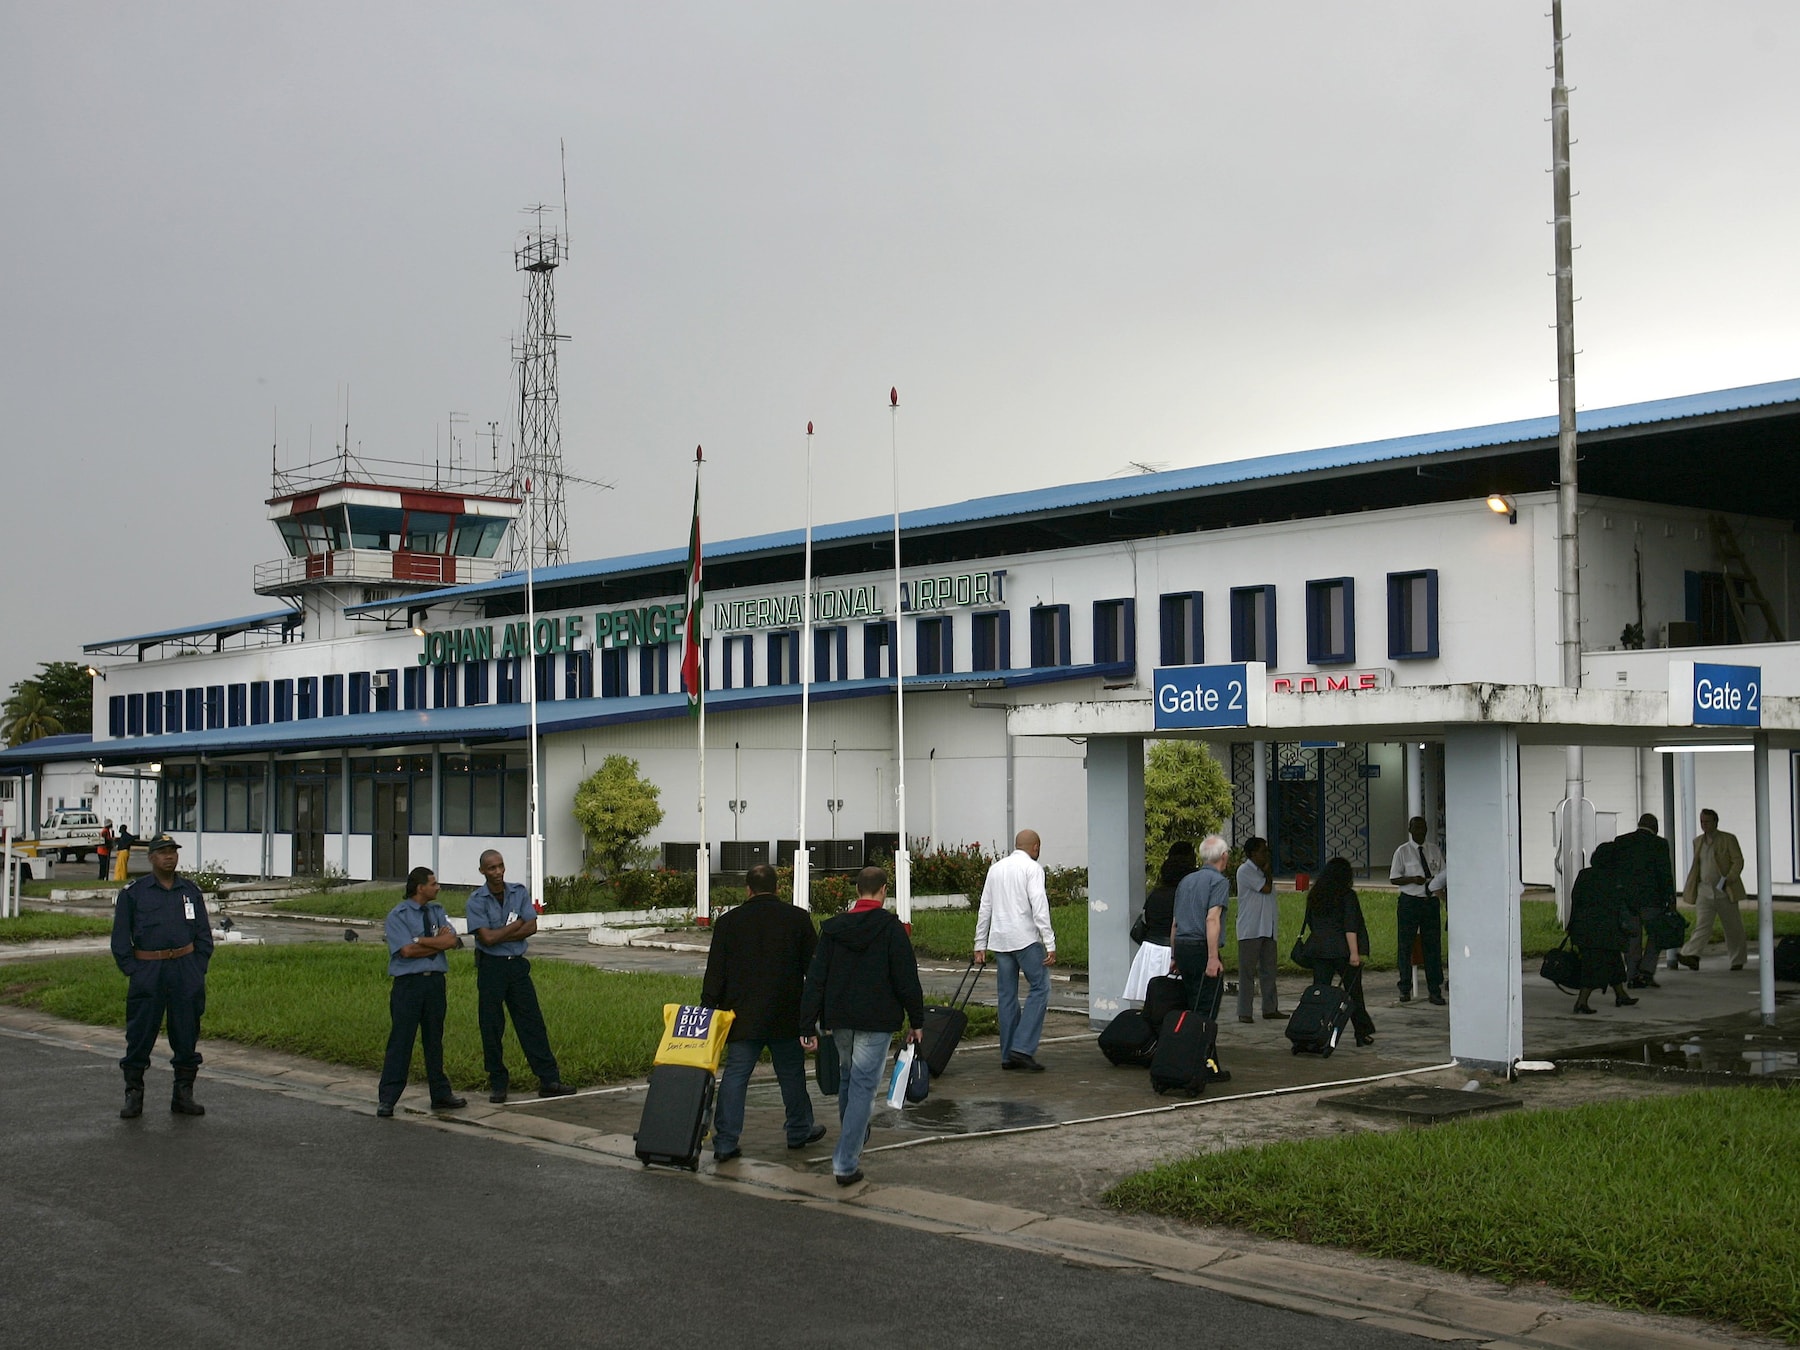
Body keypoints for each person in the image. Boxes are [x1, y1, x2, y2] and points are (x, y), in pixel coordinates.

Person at [798, 865, 926, 1187]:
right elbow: (906, 978)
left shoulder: (833, 929)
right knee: (862, 1090)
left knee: (848, 1080)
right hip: (876, 1020)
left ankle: (854, 1133)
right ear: (883, 890)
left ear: (857, 891)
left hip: (839, 1019)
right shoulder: (891, 929)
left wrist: (806, 1023)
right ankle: (845, 1162)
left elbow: (816, 979)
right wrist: (917, 1019)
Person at [702, 861, 827, 1164]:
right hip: (786, 1013)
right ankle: (798, 1131)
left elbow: (715, 973)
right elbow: (815, 970)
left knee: (735, 1077)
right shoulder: (797, 919)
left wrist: (708, 1009)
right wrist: (815, 1014)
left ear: (747, 889)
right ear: (777, 887)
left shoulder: (728, 923)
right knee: (791, 1075)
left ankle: (726, 1142)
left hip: (741, 1015)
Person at [110, 833, 214, 1119]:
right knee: (141, 1033)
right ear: (151, 858)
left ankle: (183, 1094)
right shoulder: (134, 893)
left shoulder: (190, 892)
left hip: (184, 969)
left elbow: (203, 935)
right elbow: (120, 941)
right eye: (163, 852)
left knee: (186, 1031)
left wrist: (197, 966)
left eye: (173, 851)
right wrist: (135, 970)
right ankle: (134, 1095)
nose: (169, 856)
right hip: (149, 971)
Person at [465, 849, 575, 1103]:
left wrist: (502, 931)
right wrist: (516, 926)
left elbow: (532, 926)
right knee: (492, 1026)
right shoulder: (476, 900)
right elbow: (487, 939)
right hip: (491, 968)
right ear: (482, 871)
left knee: (532, 1022)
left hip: (517, 966)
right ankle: (498, 1082)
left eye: (501, 866)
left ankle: (549, 1079)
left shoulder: (518, 892)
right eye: (491, 868)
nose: (498, 872)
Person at [376, 867, 467, 1117]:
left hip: (434, 984)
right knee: (401, 1041)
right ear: (420, 888)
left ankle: (440, 1094)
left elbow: (452, 941)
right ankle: (388, 1098)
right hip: (409, 985)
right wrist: (432, 944)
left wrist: (420, 941)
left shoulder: (437, 911)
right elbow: (405, 952)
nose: (437, 887)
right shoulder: (399, 915)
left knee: (434, 1040)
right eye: (433, 884)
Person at [973, 828, 1056, 1071]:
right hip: (1026, 940)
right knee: (1040, 987)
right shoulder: (1033, 868)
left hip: (1000, 940)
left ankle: (1008, 1055)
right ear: (1036, 848)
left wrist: (980, 943)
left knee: (1007, 996)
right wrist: (1049, 942)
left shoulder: (996, 869)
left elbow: (984, 907)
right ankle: (1022, 1047)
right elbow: (1039, 906)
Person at [1303, 857, 1376, 1045]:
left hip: (1319, 949)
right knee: (1354, 993)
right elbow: (1350, 926)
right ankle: (1361, 1032)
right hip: (1342, 950)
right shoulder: (1347, 895)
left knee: (1320, 993)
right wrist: (1354, 953)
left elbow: (1310, 921)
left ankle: (1313, 1028)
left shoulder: (1316, 894)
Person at [1567, 841, 1639, 1015]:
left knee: (1612, 961)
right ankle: (1581, 1002)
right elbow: (1627, 902)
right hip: (1606, 930)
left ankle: (1621, 994)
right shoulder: (1616, 878)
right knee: (1595, 967)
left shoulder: (1585, 875)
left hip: (1585, 928)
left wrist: (1572, 926)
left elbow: (1575, 899)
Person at [1610, 813, 1678, 987]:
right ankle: (1647, 972)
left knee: (1632, 937)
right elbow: (1665, 874)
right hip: (1652, 900)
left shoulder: (1622, 841)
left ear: (1639, 824)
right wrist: (1670, 899)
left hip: (1627, 900)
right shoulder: (1660, 844)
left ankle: (1632, 975)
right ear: (1655, 828)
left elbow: (1615, 870)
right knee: (1656, 935)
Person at [1676, 808, 1749, 972]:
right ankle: (1691, 955)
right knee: (1702, 925)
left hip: (1724, 890)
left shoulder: (1728, 839)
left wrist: (1730, 878)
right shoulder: (1698, 841)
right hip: (1704, 890)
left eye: (1707, 821)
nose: (1704, 825)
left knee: (1733, 927)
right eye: (1701, 821)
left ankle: (1737, 960)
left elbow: (1738, 861)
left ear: (1715, 822)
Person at [1123, 842, 1194, 1005]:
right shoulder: (1185, 895)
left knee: (1151, 1003)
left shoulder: (1155, 894)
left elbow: (1146, 919)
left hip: (1150, 950)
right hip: (1173, 951)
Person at [1170, 834, 1231, 1021]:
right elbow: (1212, 919)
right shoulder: (1219, 882)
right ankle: (1201, 1045)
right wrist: (1213, 958)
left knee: (1191, 1000)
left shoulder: (1186, 881)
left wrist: (1174, 956)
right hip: (1201, 947)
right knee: (1207, 1004)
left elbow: (1175, 922)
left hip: (1182, 944)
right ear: (1224, 856)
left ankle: (1187, 1040)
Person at [1389, 816, 1446, 1005]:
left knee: (1432, 946)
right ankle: (1404, 987)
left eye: (1422, 827)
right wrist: (1412, 879)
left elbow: (1443, 874)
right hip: (1410, 902)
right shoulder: (1402, 851)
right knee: (1405, 945)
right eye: (1416, 828)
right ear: (1410, 830)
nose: (1419, 831)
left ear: (1427, 829)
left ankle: (1434, 989)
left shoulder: (1434, 850)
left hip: (1429, 902)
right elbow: (1394, 878)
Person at [1234, 836, 1281, 1024]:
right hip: (1251, 929)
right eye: (1263, 851)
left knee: (1269, 970)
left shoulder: (1261, 871)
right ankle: (1245, 1011)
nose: (1266, 854)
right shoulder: (1245, 871)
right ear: (1253, 853)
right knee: (1247, 972)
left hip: (1267, 927)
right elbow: (1266, 889)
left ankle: (1270, 1008)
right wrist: (1268, 872)